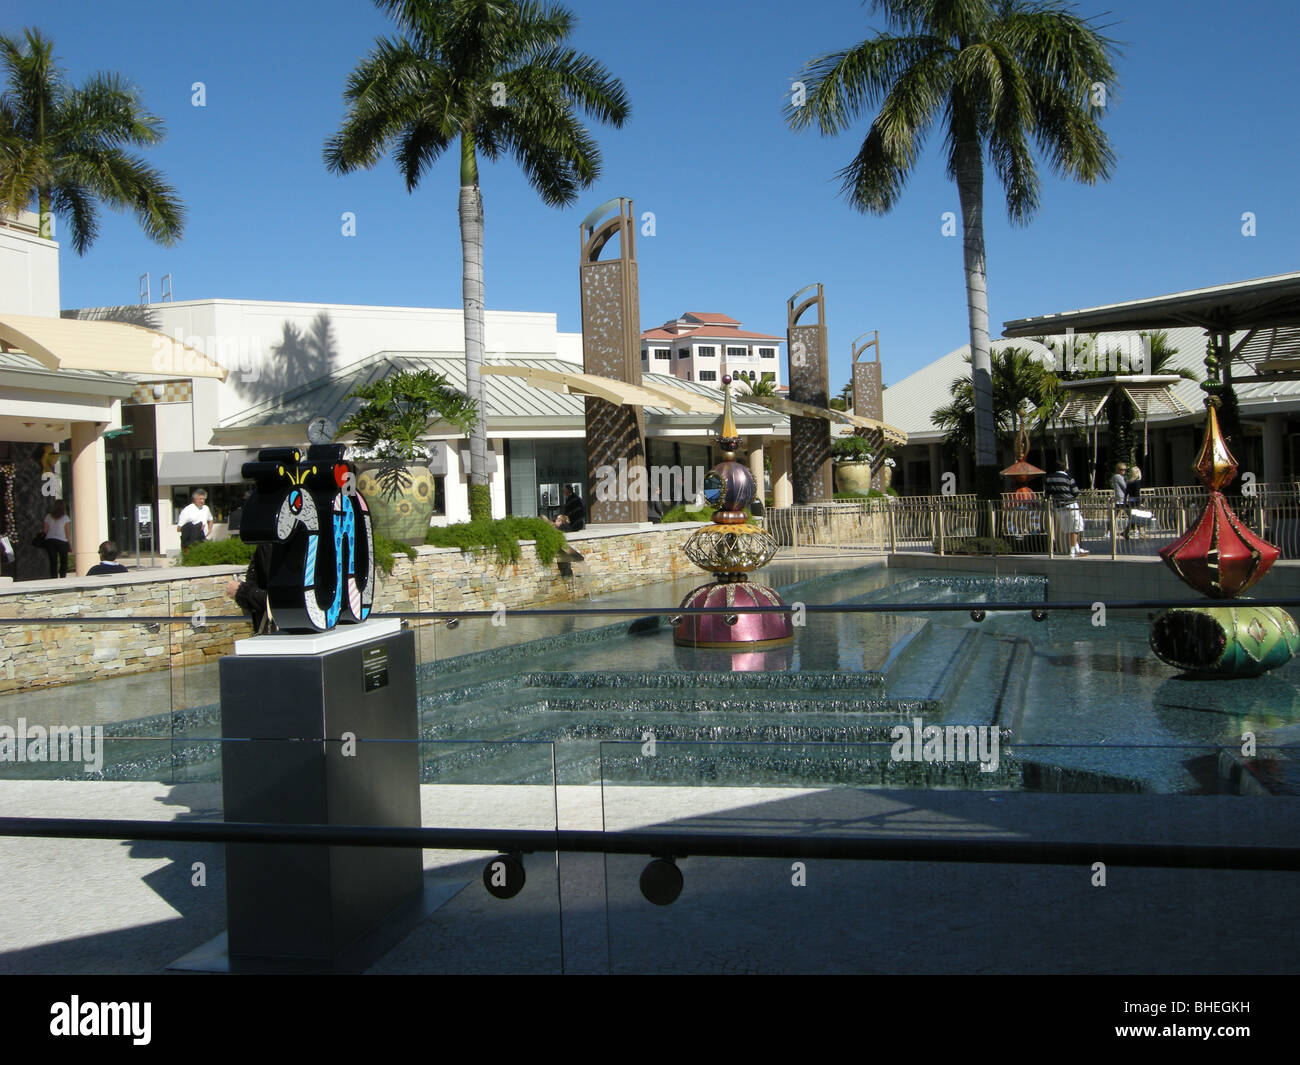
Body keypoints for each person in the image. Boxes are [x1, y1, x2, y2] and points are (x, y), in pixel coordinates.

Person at [226, 543, 275, 634]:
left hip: (282, 638)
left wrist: (242, 592)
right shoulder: (268, 544)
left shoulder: (271, 544)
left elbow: (286, 601)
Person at [1044, 457, 1088, 557]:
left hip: (1058, 507)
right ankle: (1072, 551)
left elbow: (1047, 494)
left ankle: (1077, 548)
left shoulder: (1049, 478)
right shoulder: (1068, 478)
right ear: (1065, 468)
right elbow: (1075, 492)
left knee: (1068, 527)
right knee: (1075, 527)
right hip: (1071, 504)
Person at [42, 500, 71, 578]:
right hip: (62, 541)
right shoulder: (65, 517)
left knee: (53, 561)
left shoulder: (48, 516)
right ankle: (62, 578)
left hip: (50, 540)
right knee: (63, 561)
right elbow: (67, 532)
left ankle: (54, 578)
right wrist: (69, 544)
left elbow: (45, 530)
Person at [1112, 462, 1131, 537]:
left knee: (1114, 516)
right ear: (1118, 470)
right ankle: (1109, 530)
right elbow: (1125, 487)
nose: (1123, 471)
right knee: (1131, 515)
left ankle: (1127, 531)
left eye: (1124, 470)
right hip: (1121, 499)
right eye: (1121, 470)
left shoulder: (1117, 477)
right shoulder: (1118, 477)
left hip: (1121, 499)